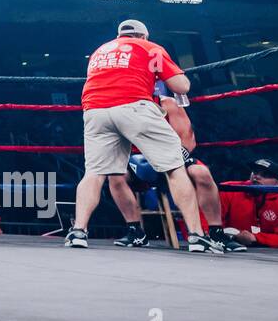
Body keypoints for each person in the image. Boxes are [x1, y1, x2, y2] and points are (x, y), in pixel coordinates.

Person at [66, 19, 223, 254]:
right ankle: (196, 236)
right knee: (175, 168)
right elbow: (182, 86)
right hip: (133, 106)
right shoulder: (150, 48)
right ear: (144, 36)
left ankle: (78, 231)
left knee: (95, 172)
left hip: (94, 110)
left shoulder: (100, 51)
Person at [111, 84, 243, 251]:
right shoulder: (120, 108)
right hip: (138, 162)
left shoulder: (168, 104)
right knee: (114, 174)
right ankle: (135, 231)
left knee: (201, 172)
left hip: (173, 158)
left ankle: (217, 233)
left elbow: (188, 140)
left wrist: (169, 163)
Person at [219, 159, 278, 249]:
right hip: (229, 248)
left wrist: (256, 238)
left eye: (265, 175)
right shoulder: (230, 190)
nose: (256, 177)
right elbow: (211, 222)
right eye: (255, 172)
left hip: (274, 257)